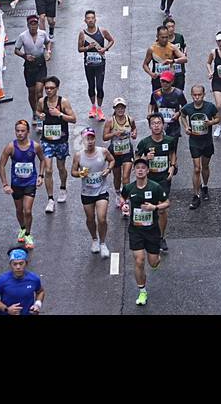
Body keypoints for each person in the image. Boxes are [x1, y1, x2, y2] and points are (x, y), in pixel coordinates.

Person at [119, 158, 168, 307]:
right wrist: (124, 205)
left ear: (147, 171)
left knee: (153, 263)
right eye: (137, 167)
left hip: (152, 230)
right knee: (139, 260)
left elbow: (167, 203)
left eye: (143, 168)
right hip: (136, 230)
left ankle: (156, 259)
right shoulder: (129, 188)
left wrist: (155, 207)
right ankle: (142, 291)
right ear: (134, 171)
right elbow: (123, 198)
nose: (140, 170)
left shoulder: (155, 187)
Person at [0, 120, 46, 249]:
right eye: (17, 131)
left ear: (28, 132)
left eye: (22, 131)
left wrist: (41, 176)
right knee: (19, 210)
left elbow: (43, 160)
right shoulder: (10, 147)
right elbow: (1, 165)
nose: (19, 133)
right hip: (16, 184)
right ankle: (23, 228)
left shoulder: (35, 146)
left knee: (27, 210)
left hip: (30, 182)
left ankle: (28, 235)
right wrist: (5, 184)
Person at [134, 114, 176, 253]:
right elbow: (137, 160)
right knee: (148, 208)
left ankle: (161, 237)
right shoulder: (144, 143)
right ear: (150, 126)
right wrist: (146, 158)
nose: (156, 125)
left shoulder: (170, 140)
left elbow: (172, 154)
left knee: (162, 209)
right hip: (148, 180)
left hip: (163, 179)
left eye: (159, 123)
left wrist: (172, 166)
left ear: (163, 125)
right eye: (153, 123)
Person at [36, 76, 77, 213]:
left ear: (57, 89)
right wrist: (40, 115)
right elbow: (37, 111)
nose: (48, 91)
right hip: (46, 140)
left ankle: (63, 187)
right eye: (46, 88)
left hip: (61, 141)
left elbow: (73, 119)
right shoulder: (42, 101)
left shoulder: (63, 102)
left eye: (51, 88)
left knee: (60, 167)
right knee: (48, 169)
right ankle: (50, 199)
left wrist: (59, 114)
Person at [72, 127, 115, 258]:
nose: (89, 141)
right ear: (83, 141)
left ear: (95, 139)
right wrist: (79, 173)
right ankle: (94, 240)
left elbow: (112, 160)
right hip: (87, 192)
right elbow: (73, 172)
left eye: (92, 138)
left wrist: (108, 170)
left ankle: (103, 243)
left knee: (101, 218)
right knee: (90, 219)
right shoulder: (79, 155)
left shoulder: (103, 151)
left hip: (102, 191)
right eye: (86, 139)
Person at [180, 85, 220, 209]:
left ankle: (205, 186)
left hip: (207, 142)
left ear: (203, 95)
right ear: (191, 95)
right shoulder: (188, 108)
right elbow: (182, 116)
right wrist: (186, 127)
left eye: (199, 95)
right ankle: (196, 195)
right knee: (197, 168)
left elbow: (218, 118)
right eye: (194, 95)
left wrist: (211, 122)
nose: (197, 97)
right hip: (194, 142)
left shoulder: (210, 107)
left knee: (205, 166)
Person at [13, 14, 52, 118]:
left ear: (38, 24)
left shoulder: (42, 34)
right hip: (29, 66)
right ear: (28, 25)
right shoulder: (23, 36)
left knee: (39, 91)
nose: (34, 26)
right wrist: (25, 56)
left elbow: (48, 42)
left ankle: (40, 112)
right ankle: (34, 111)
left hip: (41, 64)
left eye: (35, 24)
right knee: (31, 92)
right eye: (31, 24)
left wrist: (48, 51)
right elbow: (16, 50)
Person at [78, 10, 115, 119]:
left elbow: (111, 40)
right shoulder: (82, 34)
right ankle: (93, 107)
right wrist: (87, 48)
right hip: (89, 64)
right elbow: (79, 49)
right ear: (85, 20)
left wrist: (105, 48)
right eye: (88, 18)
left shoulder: (102, 31)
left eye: (92, 18)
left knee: (99, 86)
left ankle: (99, 108)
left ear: (95, 19)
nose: (90, 20)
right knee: (91, 86)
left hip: (100, 64)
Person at [0, 249, 45, 315]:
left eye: (21, 263)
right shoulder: (2, 280)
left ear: (26, 263)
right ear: (10, 265)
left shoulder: (34, 279)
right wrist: (7, 309)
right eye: (15, 264)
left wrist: (37, 305)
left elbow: (40, 291)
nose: (18, 267)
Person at [104, 97, 139, 194]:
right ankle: (117, 194)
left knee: (126, 176)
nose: (120, 110)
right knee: (117, 176)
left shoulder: (130, 119)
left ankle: (125, 196)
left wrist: (134, 134)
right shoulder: (110, 121)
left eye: (122, 108)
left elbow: (134, 129)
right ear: (114, 109)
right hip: (115, 151)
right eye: (118, 108)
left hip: (127, 150)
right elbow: (105, 137)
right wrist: (114, 134)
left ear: (125, 108)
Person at [141, 24, 185, 99]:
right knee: (157, 100)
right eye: (162, 37)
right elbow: (145, 64)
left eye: (166, 37)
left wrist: (172, 61)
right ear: (157, 36)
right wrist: (151, 74)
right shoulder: (152, 49)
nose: (165, 40)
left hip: (170, 80)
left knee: (173, 101)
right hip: (158, 79)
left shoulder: (172, 47)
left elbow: (184, 59)